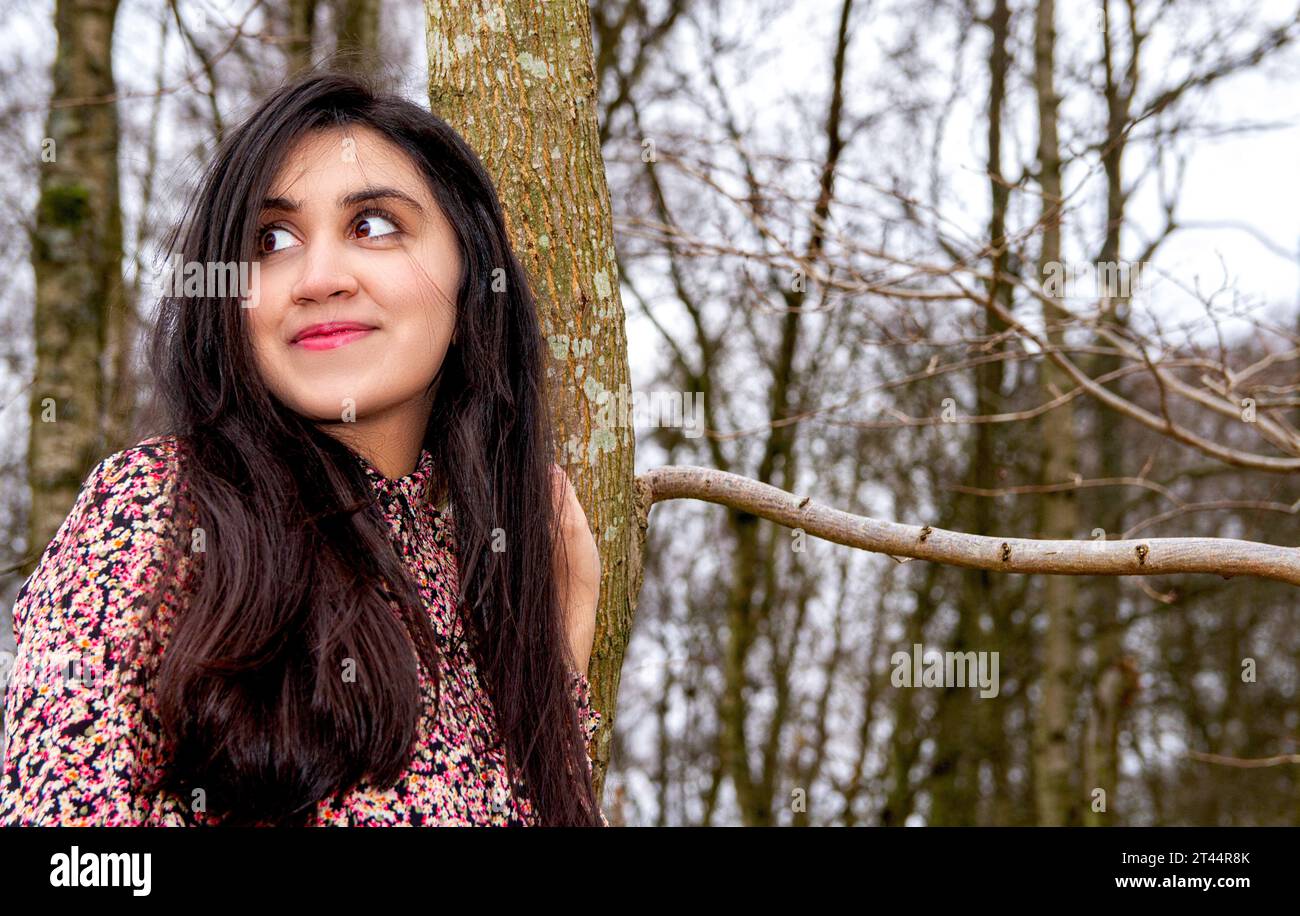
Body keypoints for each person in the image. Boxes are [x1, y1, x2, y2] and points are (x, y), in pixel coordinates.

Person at [0, 70, 608, 827]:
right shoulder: (163, 511)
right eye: (272, 240)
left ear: (470, 273)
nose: (317, 279)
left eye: (374, 224)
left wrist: (556, 672)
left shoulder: (473, 587)